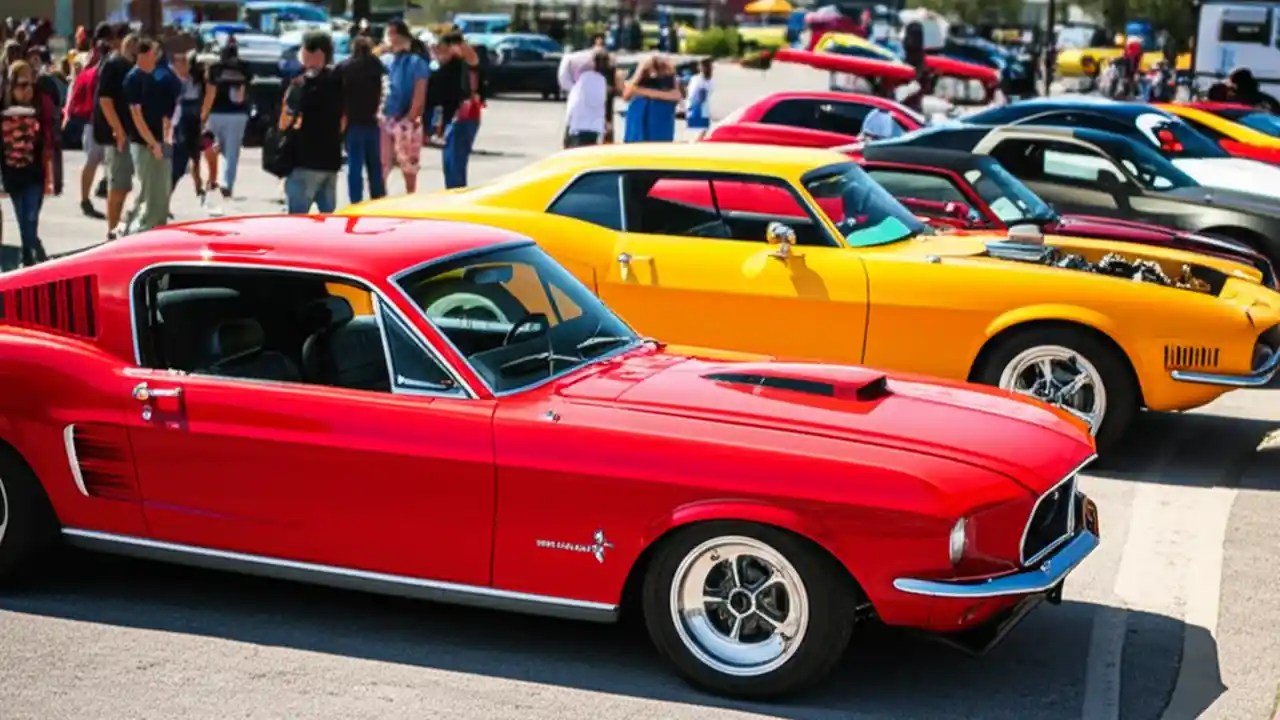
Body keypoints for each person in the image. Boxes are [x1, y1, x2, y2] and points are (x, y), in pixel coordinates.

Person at [279, 32, 343, 214]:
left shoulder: (301, 85)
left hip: (304, 160)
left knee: (297, 220)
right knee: (328, 219)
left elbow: (285, 122)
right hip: (331, 159)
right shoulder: (338, 82)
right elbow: (343, 120)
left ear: (314, 53)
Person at [1, 60, 51, 269]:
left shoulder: (39, 108)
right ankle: (29, 254)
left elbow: (47, 145)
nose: (28, 90)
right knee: (23, 218)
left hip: (34, 174)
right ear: (11, 86)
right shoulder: (3, 111)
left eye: (31, 84)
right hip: (12, 174)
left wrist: (49, 177)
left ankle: (29, 255)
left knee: (31, 217)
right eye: (22, 85)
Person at [120, 37, 174, 235]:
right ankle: (130, 230)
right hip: (144, 144)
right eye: (153, 53)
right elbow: (137, 116)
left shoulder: (153, 77)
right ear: (143, 54)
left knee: (161, 191)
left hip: (159, 141)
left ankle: (158, 228)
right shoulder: (133, 79)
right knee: (145, 191)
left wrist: (165, 138)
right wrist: (152, 143)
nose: (156, 57)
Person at [93, 32, 139, 240]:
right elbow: (105, 100)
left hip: (135, 134)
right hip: (119, 135)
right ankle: (111, 231)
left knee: (126, 185)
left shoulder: (134, 69)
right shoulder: (114, 66)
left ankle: (120, 226)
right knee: (119, 184)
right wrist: (118, 130)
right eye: (132, 46)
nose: (134, 50)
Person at [201, 35, 253, 210]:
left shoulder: (214, 68)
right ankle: (227, 184)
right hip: (237, 114)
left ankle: (212, 178)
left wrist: (203, 115)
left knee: (211, 147)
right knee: (232, 152)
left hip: (215, 113)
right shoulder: (245, 67)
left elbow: (209, 91)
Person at [379, 19, 430, 193]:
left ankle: (410, 197)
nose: (390, 38)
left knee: (408, 164)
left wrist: (410, 117)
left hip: (407, 121)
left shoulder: (417, 62)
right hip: (385, 119)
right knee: (382, 163)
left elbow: (419, 94)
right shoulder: (384, 61)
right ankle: (379, 199)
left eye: (392, 34)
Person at [337, 34, 384, 203]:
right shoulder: (376, 66)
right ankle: (378, 198)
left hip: (352, 121)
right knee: (375, 165)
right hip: (371, 120)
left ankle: (355, 200)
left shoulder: (345, 67)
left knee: (354, 166)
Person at [64, 40, 107, 217]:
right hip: (97, 122)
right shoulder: (98, 72)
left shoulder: (89, 70)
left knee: (94, 161)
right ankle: (87, 198)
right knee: (95, 161)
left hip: (91, 122)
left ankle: (87, 197)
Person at [440, 32, 482, 189]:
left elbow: (472, 58)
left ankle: (457, 195)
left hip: (466, 116)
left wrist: (459, 44)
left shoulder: (468, 60)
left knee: (456, 162)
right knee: (449, 162)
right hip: (453, 116)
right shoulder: (452, 66)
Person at [170, 49, 206, 200]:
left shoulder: (197, 80)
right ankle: (197, 184)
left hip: (189, 117)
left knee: (190, 154)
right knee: (190, 154)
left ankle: (197, 184)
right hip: (188, 117)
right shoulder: (184, 79)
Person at [622, 54, 681, 143]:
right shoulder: (639, 72)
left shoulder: (667, 73)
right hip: (638, 126)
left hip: (660, 126)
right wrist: (641, 69)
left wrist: (642, 92)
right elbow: (627, 94)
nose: (653, 74)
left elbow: (676, 96)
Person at [564, 49, 609, 147]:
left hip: (578, 125)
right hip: (594, 126)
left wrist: (568, 121)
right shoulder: (602, 80)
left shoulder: (582, 78)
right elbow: (602, 103)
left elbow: (575, 102)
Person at [685, 58, 713, 140]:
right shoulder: (709, 79)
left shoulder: (698, 79)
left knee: (697, 129)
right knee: (702, 128)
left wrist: (692, 104)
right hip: (703, 104)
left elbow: (697, 93)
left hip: (697, 104)